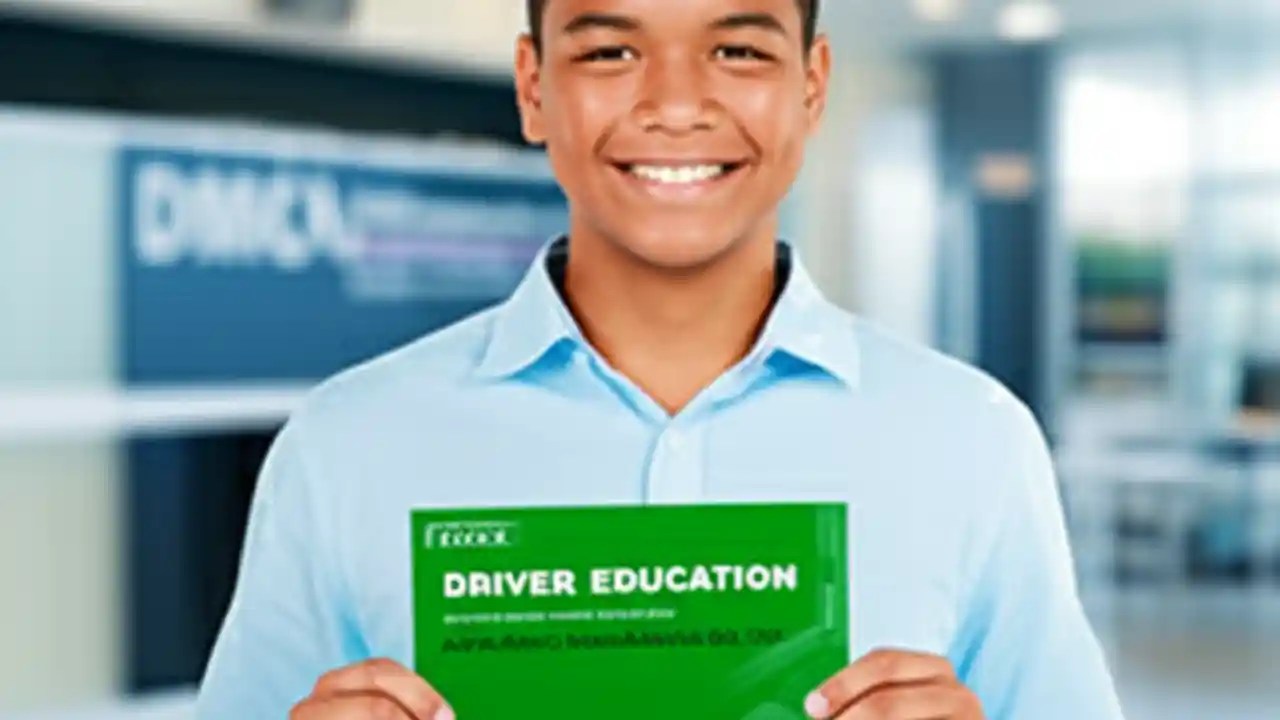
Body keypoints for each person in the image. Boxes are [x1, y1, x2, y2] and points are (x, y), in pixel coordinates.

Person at [195, 0, 1126, 718]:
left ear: (811, 87)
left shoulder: (970, 439)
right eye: (611, 52)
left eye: (738, 51)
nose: (676, 105)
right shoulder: (347, 445)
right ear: (533, 88)